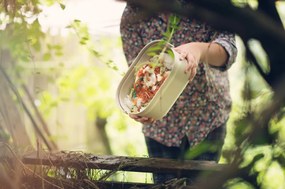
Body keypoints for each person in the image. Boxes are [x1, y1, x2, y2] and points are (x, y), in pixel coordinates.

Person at [119, 1, 237, 184]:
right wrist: (142, 107)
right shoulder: (132, 15)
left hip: (207, 118)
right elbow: (138, 73)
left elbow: (228, 50)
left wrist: (198, 50)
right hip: (161, 129)